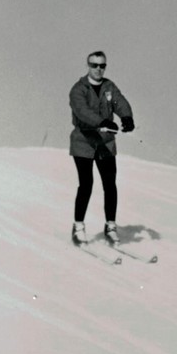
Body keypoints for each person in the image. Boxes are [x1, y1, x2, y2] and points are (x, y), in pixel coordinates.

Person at [68, 51, 135, 246]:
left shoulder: (109, 87)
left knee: (109, 183)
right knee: (86, 183)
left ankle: (111, 226)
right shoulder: (78, 89)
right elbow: (82, 111)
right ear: (88, 65)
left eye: (102, 66)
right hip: (84, 142)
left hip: (105, 143)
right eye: (94, 65)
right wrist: (102, 121)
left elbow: (119, 102)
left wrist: (127, 117)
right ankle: (79, 226)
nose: (98, 69)